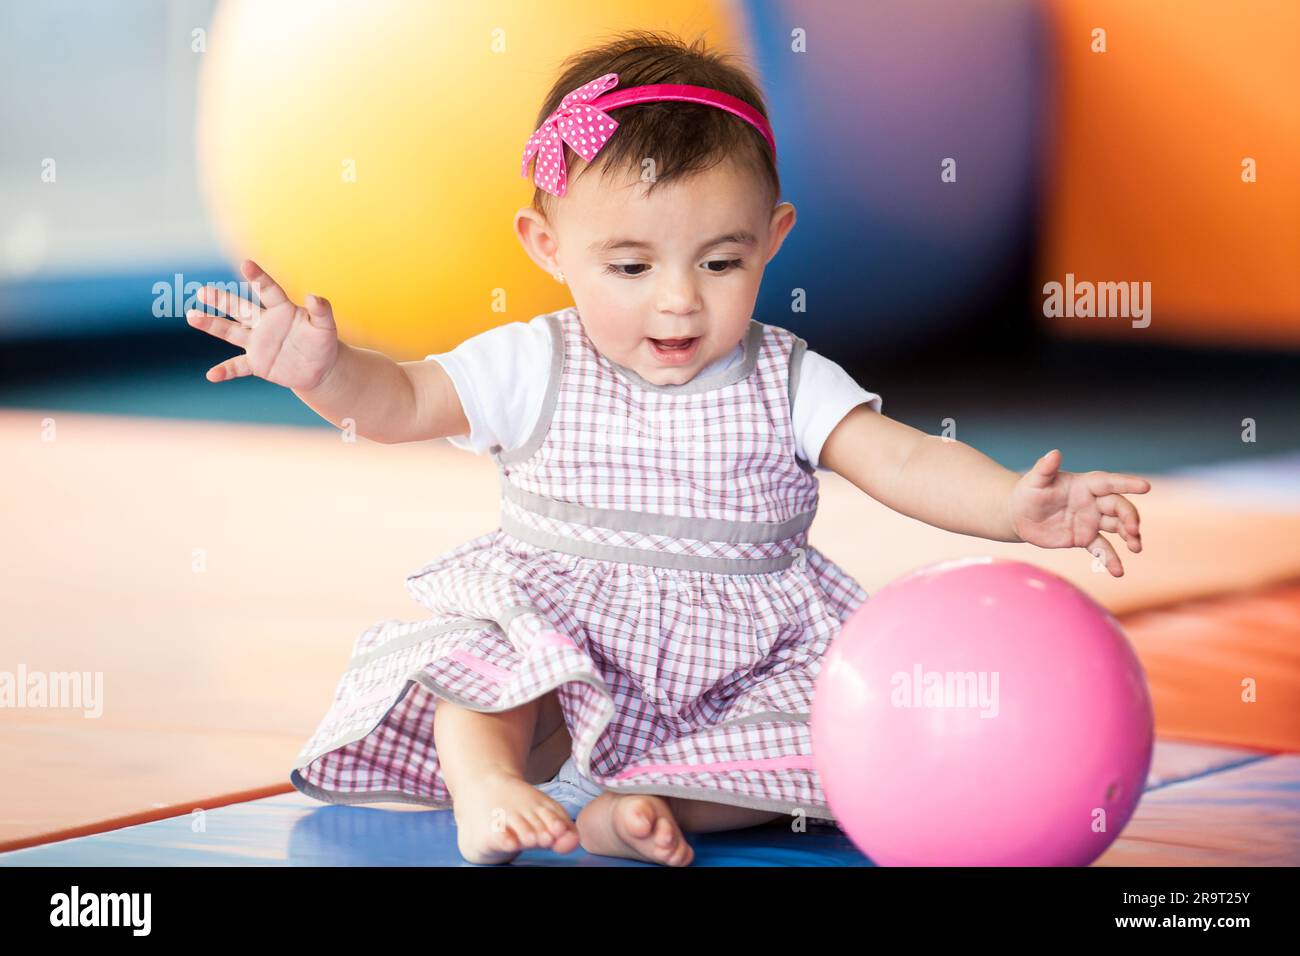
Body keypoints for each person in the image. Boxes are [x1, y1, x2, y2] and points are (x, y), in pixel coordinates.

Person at [185, 30, 1149, 867]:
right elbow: (398, 402)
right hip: (566, 639)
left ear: (774, 240)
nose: (679, 300)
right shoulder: (535, 361)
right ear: (546, 244)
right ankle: (484, 787)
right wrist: (321, 370)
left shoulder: (786, 375)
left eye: (721, 262)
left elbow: (900, 459)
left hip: (748, 662)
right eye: (632, 266)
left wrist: (1012, 507)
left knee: (825, 753)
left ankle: (650, 811)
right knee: (479, 661)